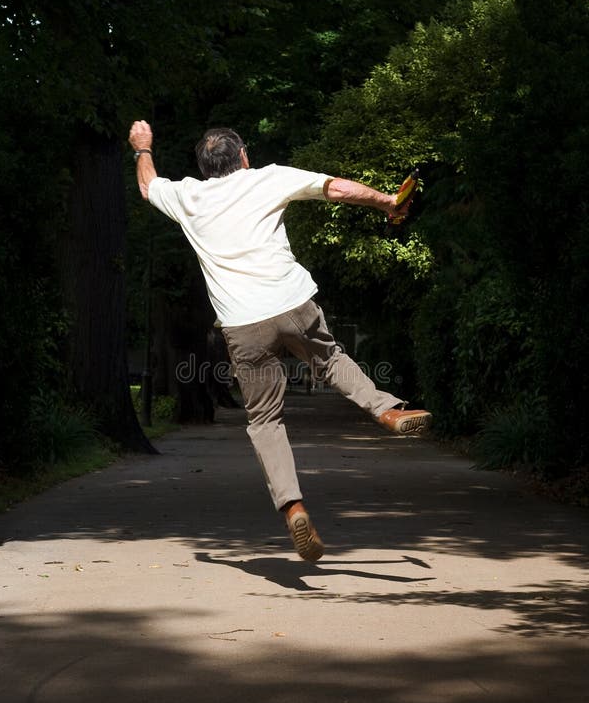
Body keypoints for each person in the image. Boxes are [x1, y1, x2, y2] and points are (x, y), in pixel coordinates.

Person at [128, 121, 432, 562]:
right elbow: (339, 189)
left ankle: (293, 507)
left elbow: (148, 186)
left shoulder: (188, 196)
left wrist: (142, 147)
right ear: (244, 156)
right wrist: (388, 202)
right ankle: (386, 410)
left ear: (205, 167)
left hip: (241, 323)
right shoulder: (269, 178)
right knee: (330, 360)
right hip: (292, 303)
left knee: (265, 421)